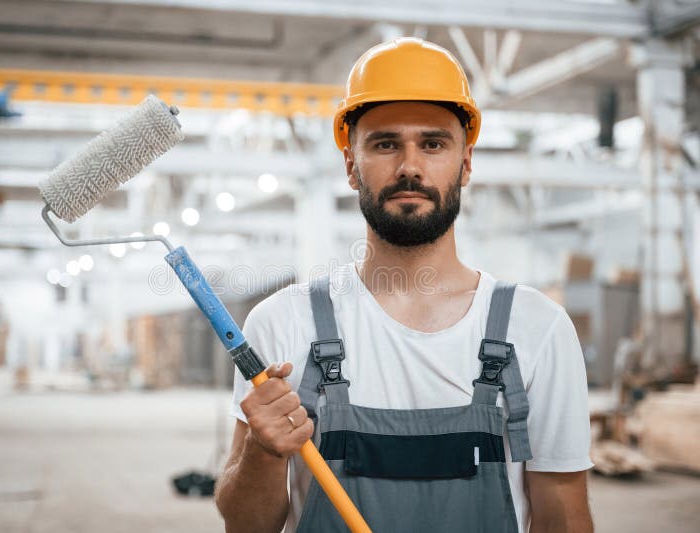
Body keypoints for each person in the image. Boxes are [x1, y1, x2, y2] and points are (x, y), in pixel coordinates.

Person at [215, 37, 593, 533]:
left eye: (433, 144)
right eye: (385, 143)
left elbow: (563, 516)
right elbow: (245, 526)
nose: (410, 166)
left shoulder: (538, 328)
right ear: (352, 164)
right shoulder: (284, 324)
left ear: (466, 162)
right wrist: (264, 452)